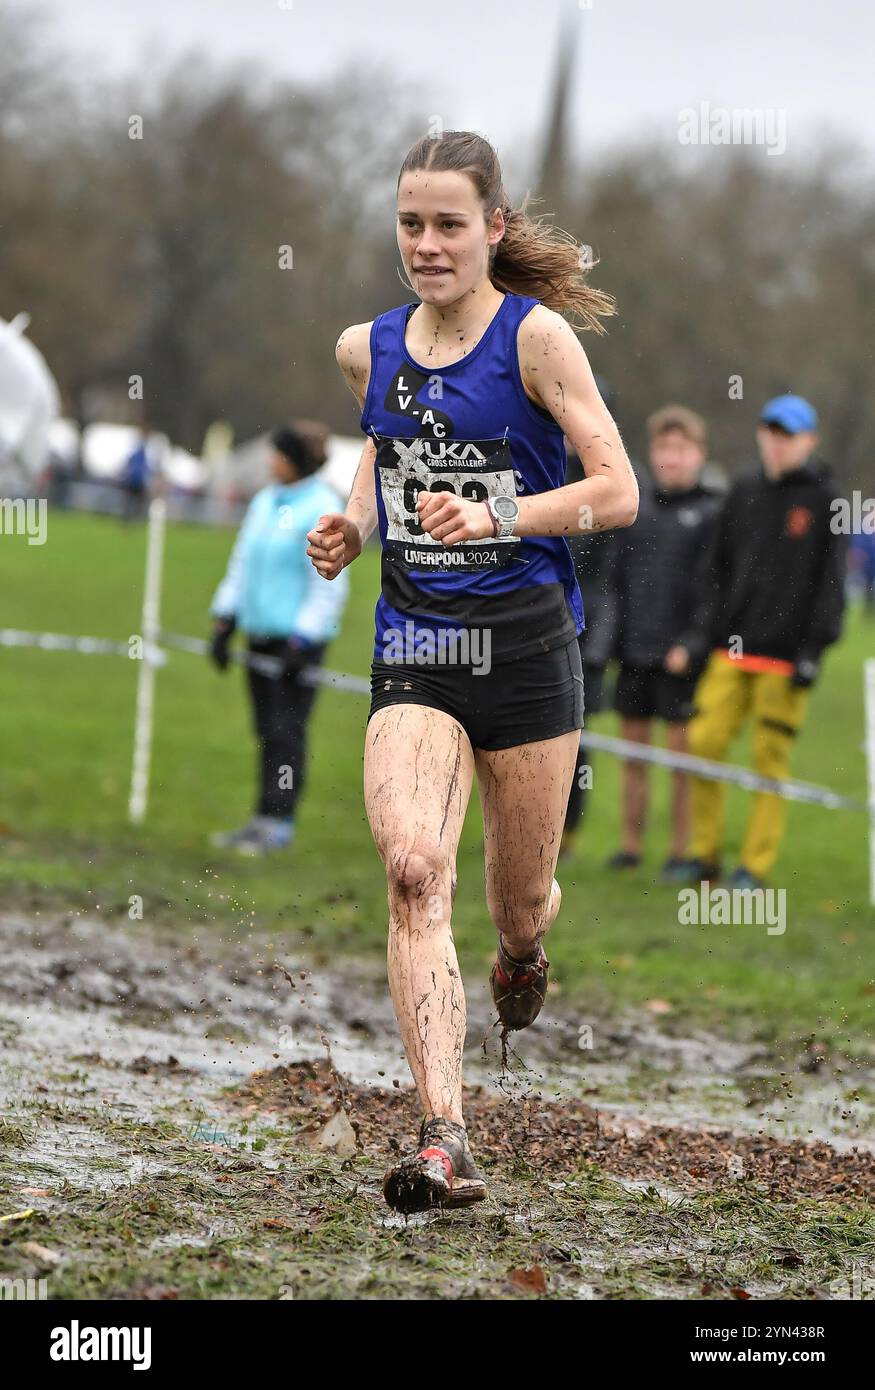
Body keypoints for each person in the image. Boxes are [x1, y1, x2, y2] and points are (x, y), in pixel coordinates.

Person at [306, 130, 638, 1213]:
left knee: (518, 902)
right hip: (416, 644)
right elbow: (381, 443)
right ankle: (443, 1133)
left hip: (528, 652)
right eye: (410, 223)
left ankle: (525, 954)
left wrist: (497, 509)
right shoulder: (369, 345)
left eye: (449, 223)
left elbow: (617, 490)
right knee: (411, 868)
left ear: (492, 228)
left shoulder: (536, 342)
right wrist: (356, 526)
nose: (427, 244)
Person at [668, 395, 846, 889]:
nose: (777, 443)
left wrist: (813, 651)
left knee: (769, 763)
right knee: (703, 743)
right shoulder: (742, 489)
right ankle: (704, 857)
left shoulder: (827, 497)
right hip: (731, 650)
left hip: (785, 661)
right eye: (771, 432)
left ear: (809, 441)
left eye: (788, 435)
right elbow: (715, 568)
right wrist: (704, 633)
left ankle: (755, 867)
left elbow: (831, 585)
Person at [209, 424, 349, 854]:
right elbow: (243, 561)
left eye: (279, 454)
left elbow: (328, 582)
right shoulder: (266, 501)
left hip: (294, 645)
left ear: (298, 460)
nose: (271, 462)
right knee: (265, 729)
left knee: (286, 731)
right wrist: (224, 619)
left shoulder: (323, 507)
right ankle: (260, 817)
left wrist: (303, 639)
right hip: (259, 634)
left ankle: (279, 822)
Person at [605, 405, 722, 878]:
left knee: (680, 763)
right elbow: (615, 579)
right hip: (635, 651)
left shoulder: (713, 513)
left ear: (698, 454)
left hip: (682, 661)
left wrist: (691, 644)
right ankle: (630, 846)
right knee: (633, 758)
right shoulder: (636, 508)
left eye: (681, 449)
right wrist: (611, 641)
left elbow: (715, 591)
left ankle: (681, 850)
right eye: (663, 449)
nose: (671, 459)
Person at [560, 379, 621, 860]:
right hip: (531, 617)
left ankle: (568, 834)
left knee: (574, 741)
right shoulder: (538, 466)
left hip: (587, 631)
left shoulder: (617, 482)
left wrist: (599, 642)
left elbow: (616, 579)